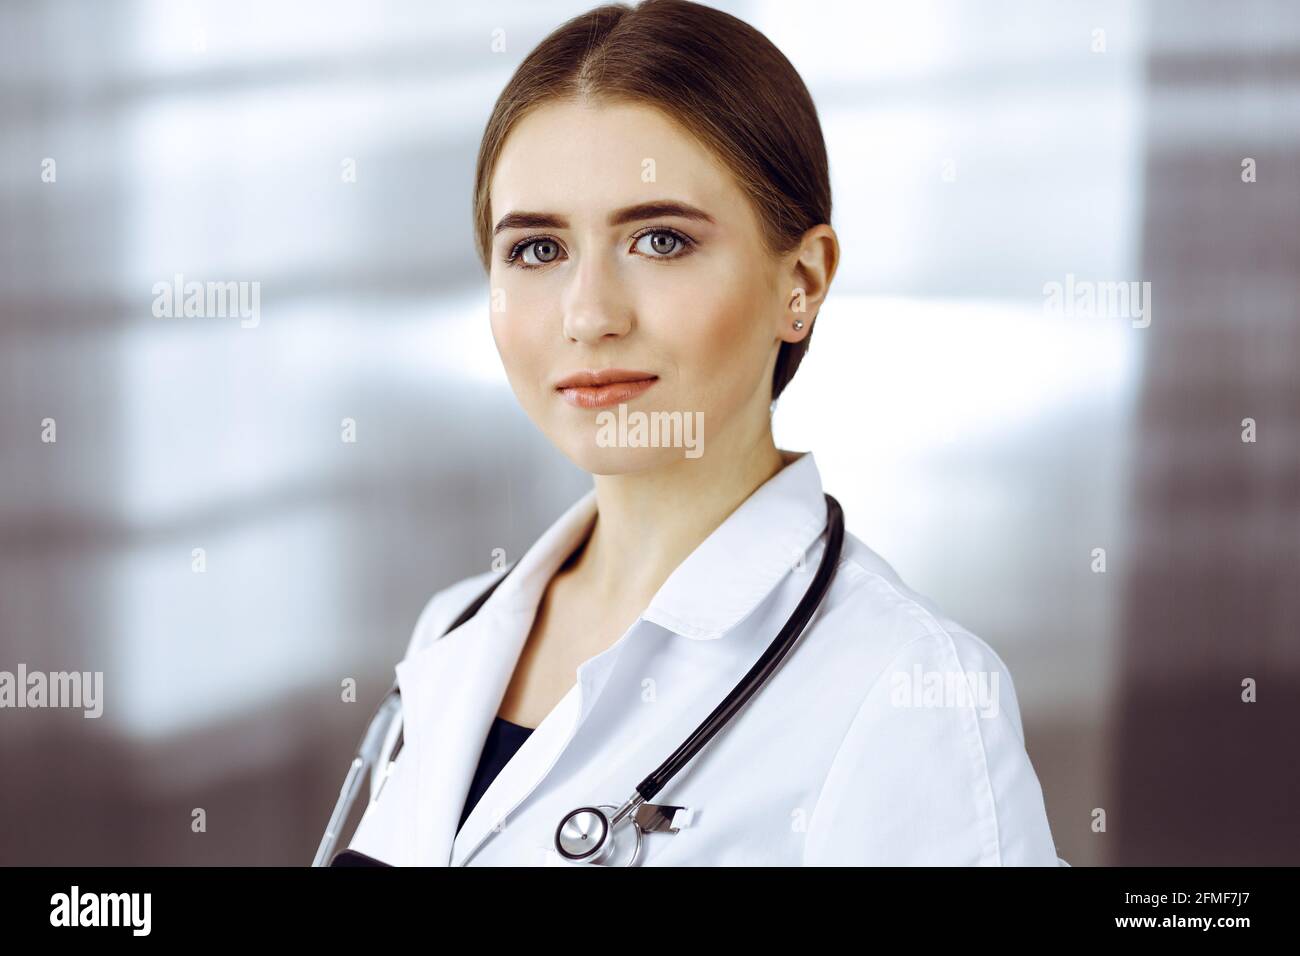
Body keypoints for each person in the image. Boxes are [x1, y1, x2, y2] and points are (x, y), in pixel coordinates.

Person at [347, 0, 1062, 866]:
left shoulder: (909, 693)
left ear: (802, 280)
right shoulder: (457, 630)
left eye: (659, 239)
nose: (589, 315)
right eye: (537, 250)